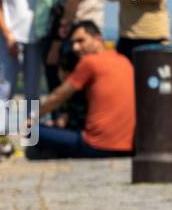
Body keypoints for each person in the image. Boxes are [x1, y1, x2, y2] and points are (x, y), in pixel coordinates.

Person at [29, 21, 134, 159]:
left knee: (33, 132)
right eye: (73, 43)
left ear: (98, 39)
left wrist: (32, 118)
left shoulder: (90, 62)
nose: (75, 47)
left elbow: (58, 96)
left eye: (81, 41)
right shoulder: (123, 60)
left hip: (96, 146)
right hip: (128, 147)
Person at [32, 0, 66, 94]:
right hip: (46, 36)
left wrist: (56, 43)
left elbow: (60, 11)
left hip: (52, 38)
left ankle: (59, 116)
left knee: (55, 82)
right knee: (52, 81)